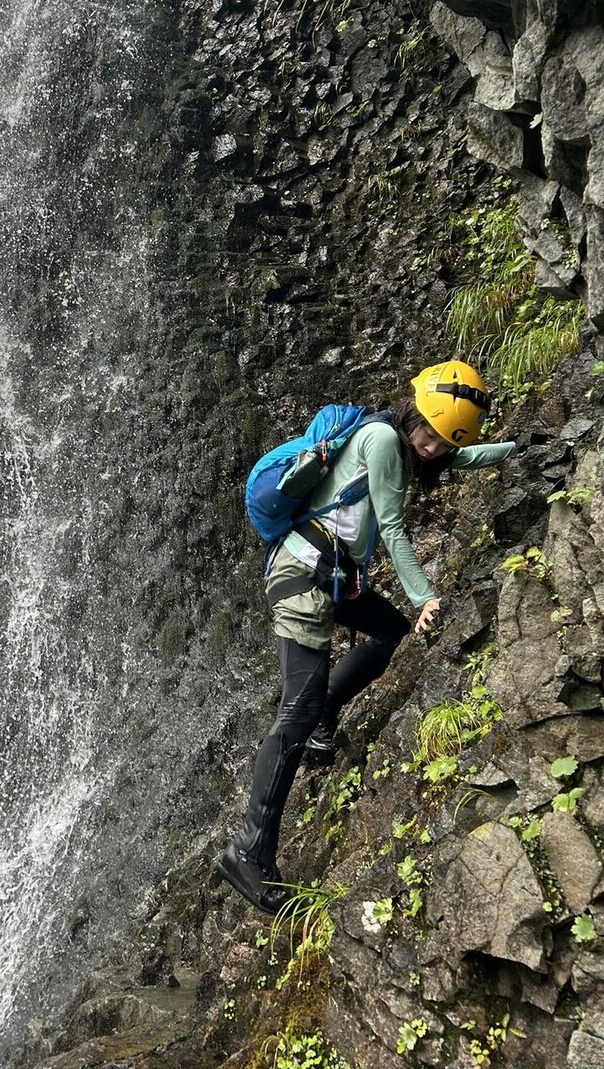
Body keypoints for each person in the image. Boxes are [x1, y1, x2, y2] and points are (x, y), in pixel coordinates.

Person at [218, 360, 517, 914]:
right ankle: (249, 852)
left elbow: (463, 457)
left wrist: (514, 448)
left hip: (334, 578)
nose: (428, 447)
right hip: (303, 574)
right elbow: (394, 527)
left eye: (440, 440)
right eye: (425, 432)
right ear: (412, 413)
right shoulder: (381, 437)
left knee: (387, 635)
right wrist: (424, 594)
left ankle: (325, 713)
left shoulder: (411, 451)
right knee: (295, 712)